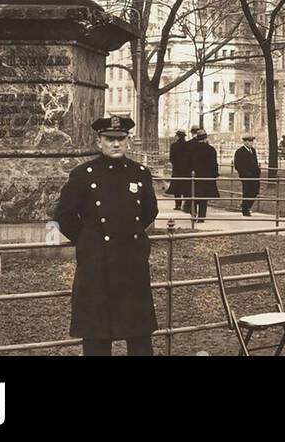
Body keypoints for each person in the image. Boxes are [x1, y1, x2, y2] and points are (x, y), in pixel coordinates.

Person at [54, 115, 158, 356]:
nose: (115, 144)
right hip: (96, 268)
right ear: (98, 141)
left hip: (132, 264)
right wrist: (90, 242)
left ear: (128, 140)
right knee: (97, 336)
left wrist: (128, 237)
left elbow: (149, 211)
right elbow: (64, 216)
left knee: (139, 336)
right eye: (109, 139)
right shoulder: (83, 174)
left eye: (120, 138)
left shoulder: (140, 173)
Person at [188, 128, 219, 223]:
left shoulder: (192, 149)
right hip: (206, 177)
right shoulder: (211, 149)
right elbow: (214, 164)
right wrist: (214, 174)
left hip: (195, 176)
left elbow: (187, 163)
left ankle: (193, 212)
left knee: (194, 195)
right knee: (204, 198)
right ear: (205, 138)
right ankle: (202, 217)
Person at [233, 135, 260, 217]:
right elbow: (237, 165)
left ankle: (246, 206)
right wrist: (245, 173)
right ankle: (245, 210)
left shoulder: (253, 150)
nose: (251, 143)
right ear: (245, 142)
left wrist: (258, 171)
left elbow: (255, 163)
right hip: (245, 176)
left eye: (252, 141)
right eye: (249, 141)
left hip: (254, 175)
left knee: (255, 191)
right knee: (247, 192)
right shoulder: (240, 151)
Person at [166, 130, 189, 212]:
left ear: (178, 136)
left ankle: (178, 205)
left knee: (177, 188)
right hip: (186, 170)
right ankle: (186, 205)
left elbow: (171, 158)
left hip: (177, 170)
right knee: (186, 187)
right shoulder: (188, 145)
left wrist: (176, 164)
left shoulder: (174, 146)